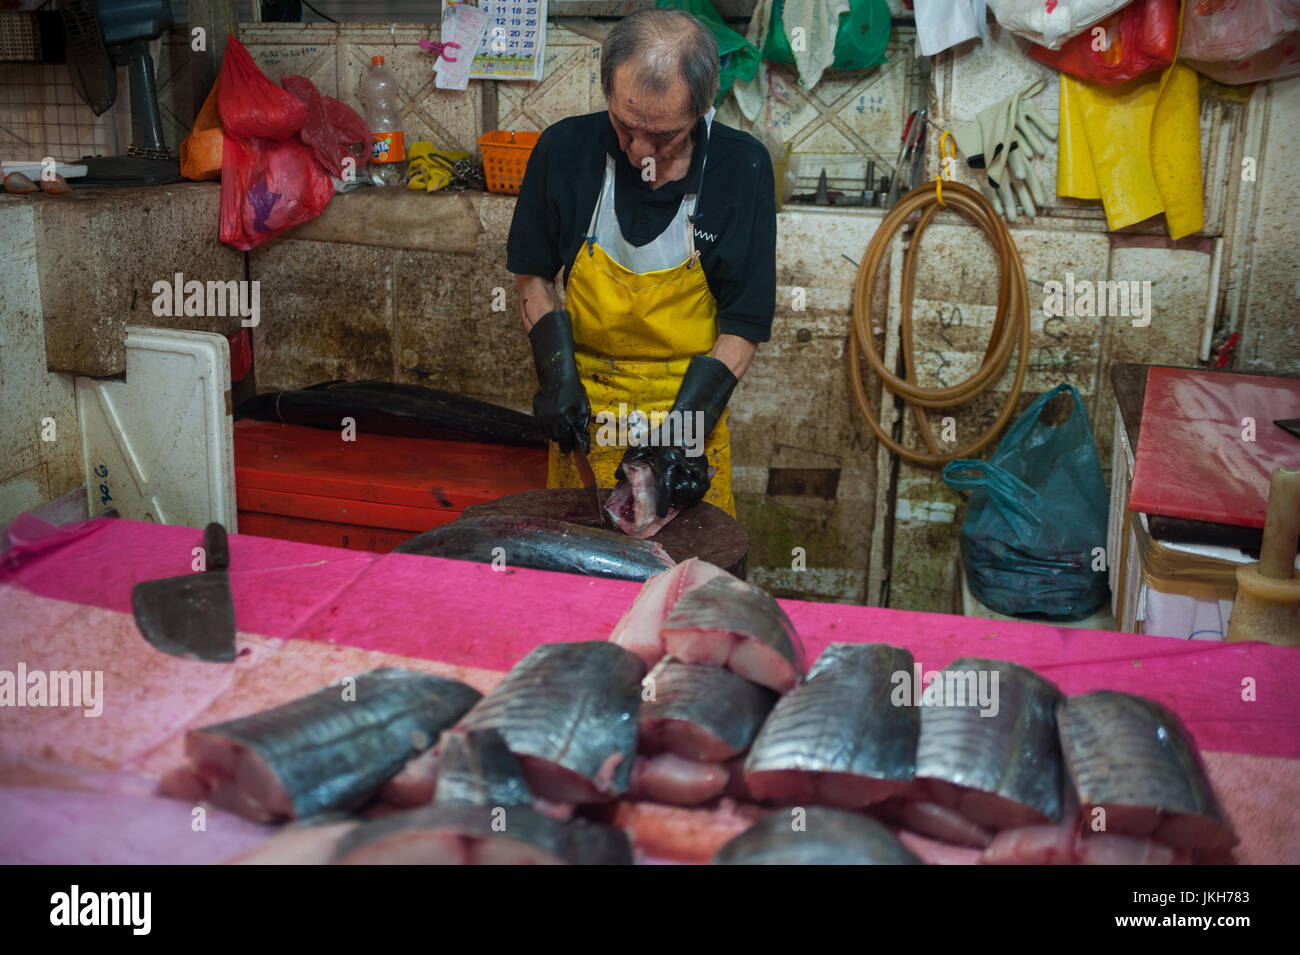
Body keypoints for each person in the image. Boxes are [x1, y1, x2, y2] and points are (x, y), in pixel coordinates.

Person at [506, 8, 776, 519]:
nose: (638, 149)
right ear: (608, 89)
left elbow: (744, 325)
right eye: (625, 125)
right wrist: (557, 374)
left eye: (664, 135)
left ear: (702, 108)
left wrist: (677, 442)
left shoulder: (743, 168)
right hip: (587, 408)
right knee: (581, 575)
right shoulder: (564, 150)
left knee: (687, 576)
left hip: (690, 414)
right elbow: (533, 274)